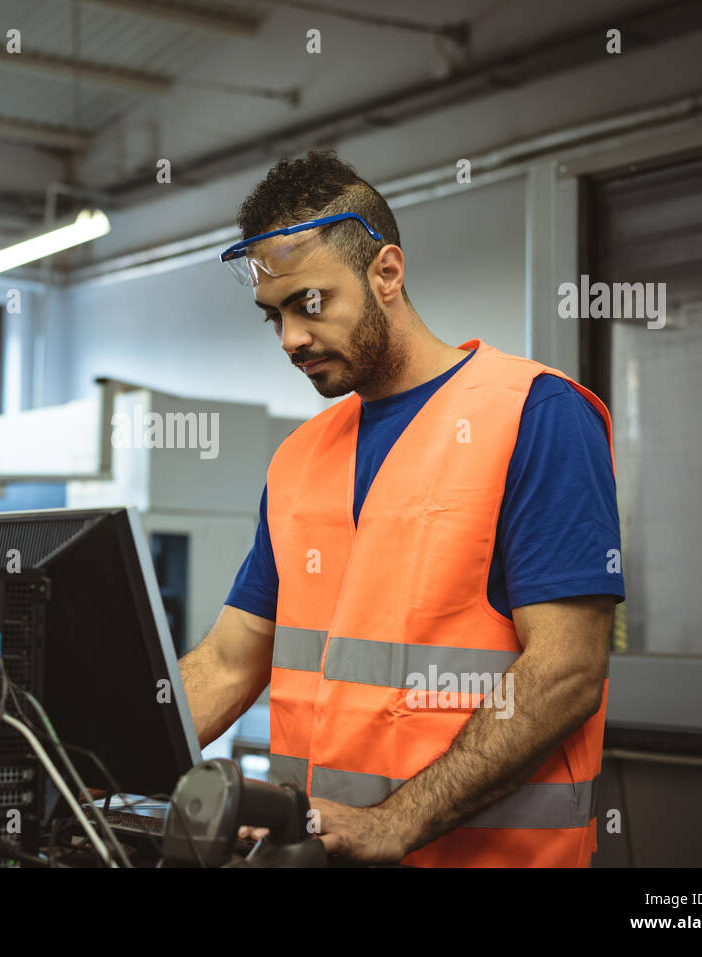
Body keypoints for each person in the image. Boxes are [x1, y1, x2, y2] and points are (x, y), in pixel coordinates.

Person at [178, 150, 624, 867]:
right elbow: (230, 662)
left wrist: (394, 822)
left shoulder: (535, 414)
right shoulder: (300, 457)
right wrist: (92, 760)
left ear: (386, 272)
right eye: (274, 317)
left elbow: (567, 669)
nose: (291, 338)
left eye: (309, 303)